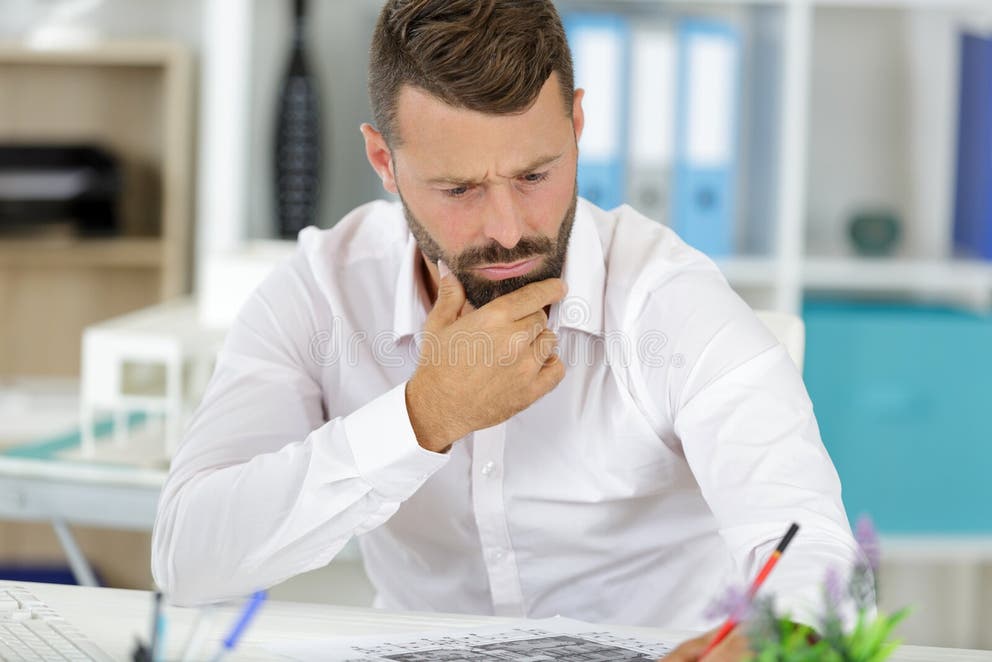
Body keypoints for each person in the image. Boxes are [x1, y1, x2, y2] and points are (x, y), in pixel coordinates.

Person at [152, 1, 865, 660]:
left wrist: (775, 641)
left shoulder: (669, 301)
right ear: (384, 162)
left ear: (578, 127)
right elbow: (187, 558)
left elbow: (818, 566)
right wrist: (423, 416)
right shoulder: (320, 293)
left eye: (534, 174)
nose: (507, 230)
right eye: (458, 189)